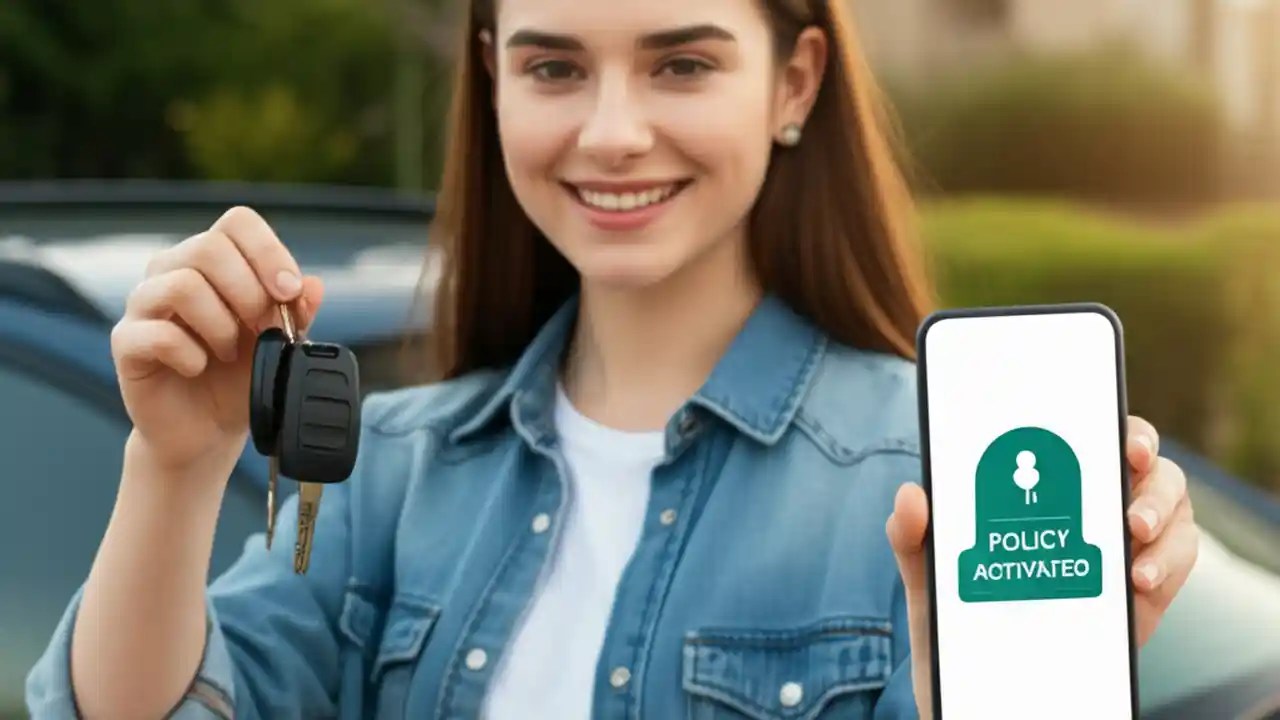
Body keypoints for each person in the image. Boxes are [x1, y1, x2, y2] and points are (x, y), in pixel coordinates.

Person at [26, 0, 1201, 718]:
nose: (609, 131)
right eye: (552, 68)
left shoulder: (930, 481)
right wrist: (173, 468)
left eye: (679, 64)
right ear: (490, 74)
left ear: (792, 83)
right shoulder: (390, 468)